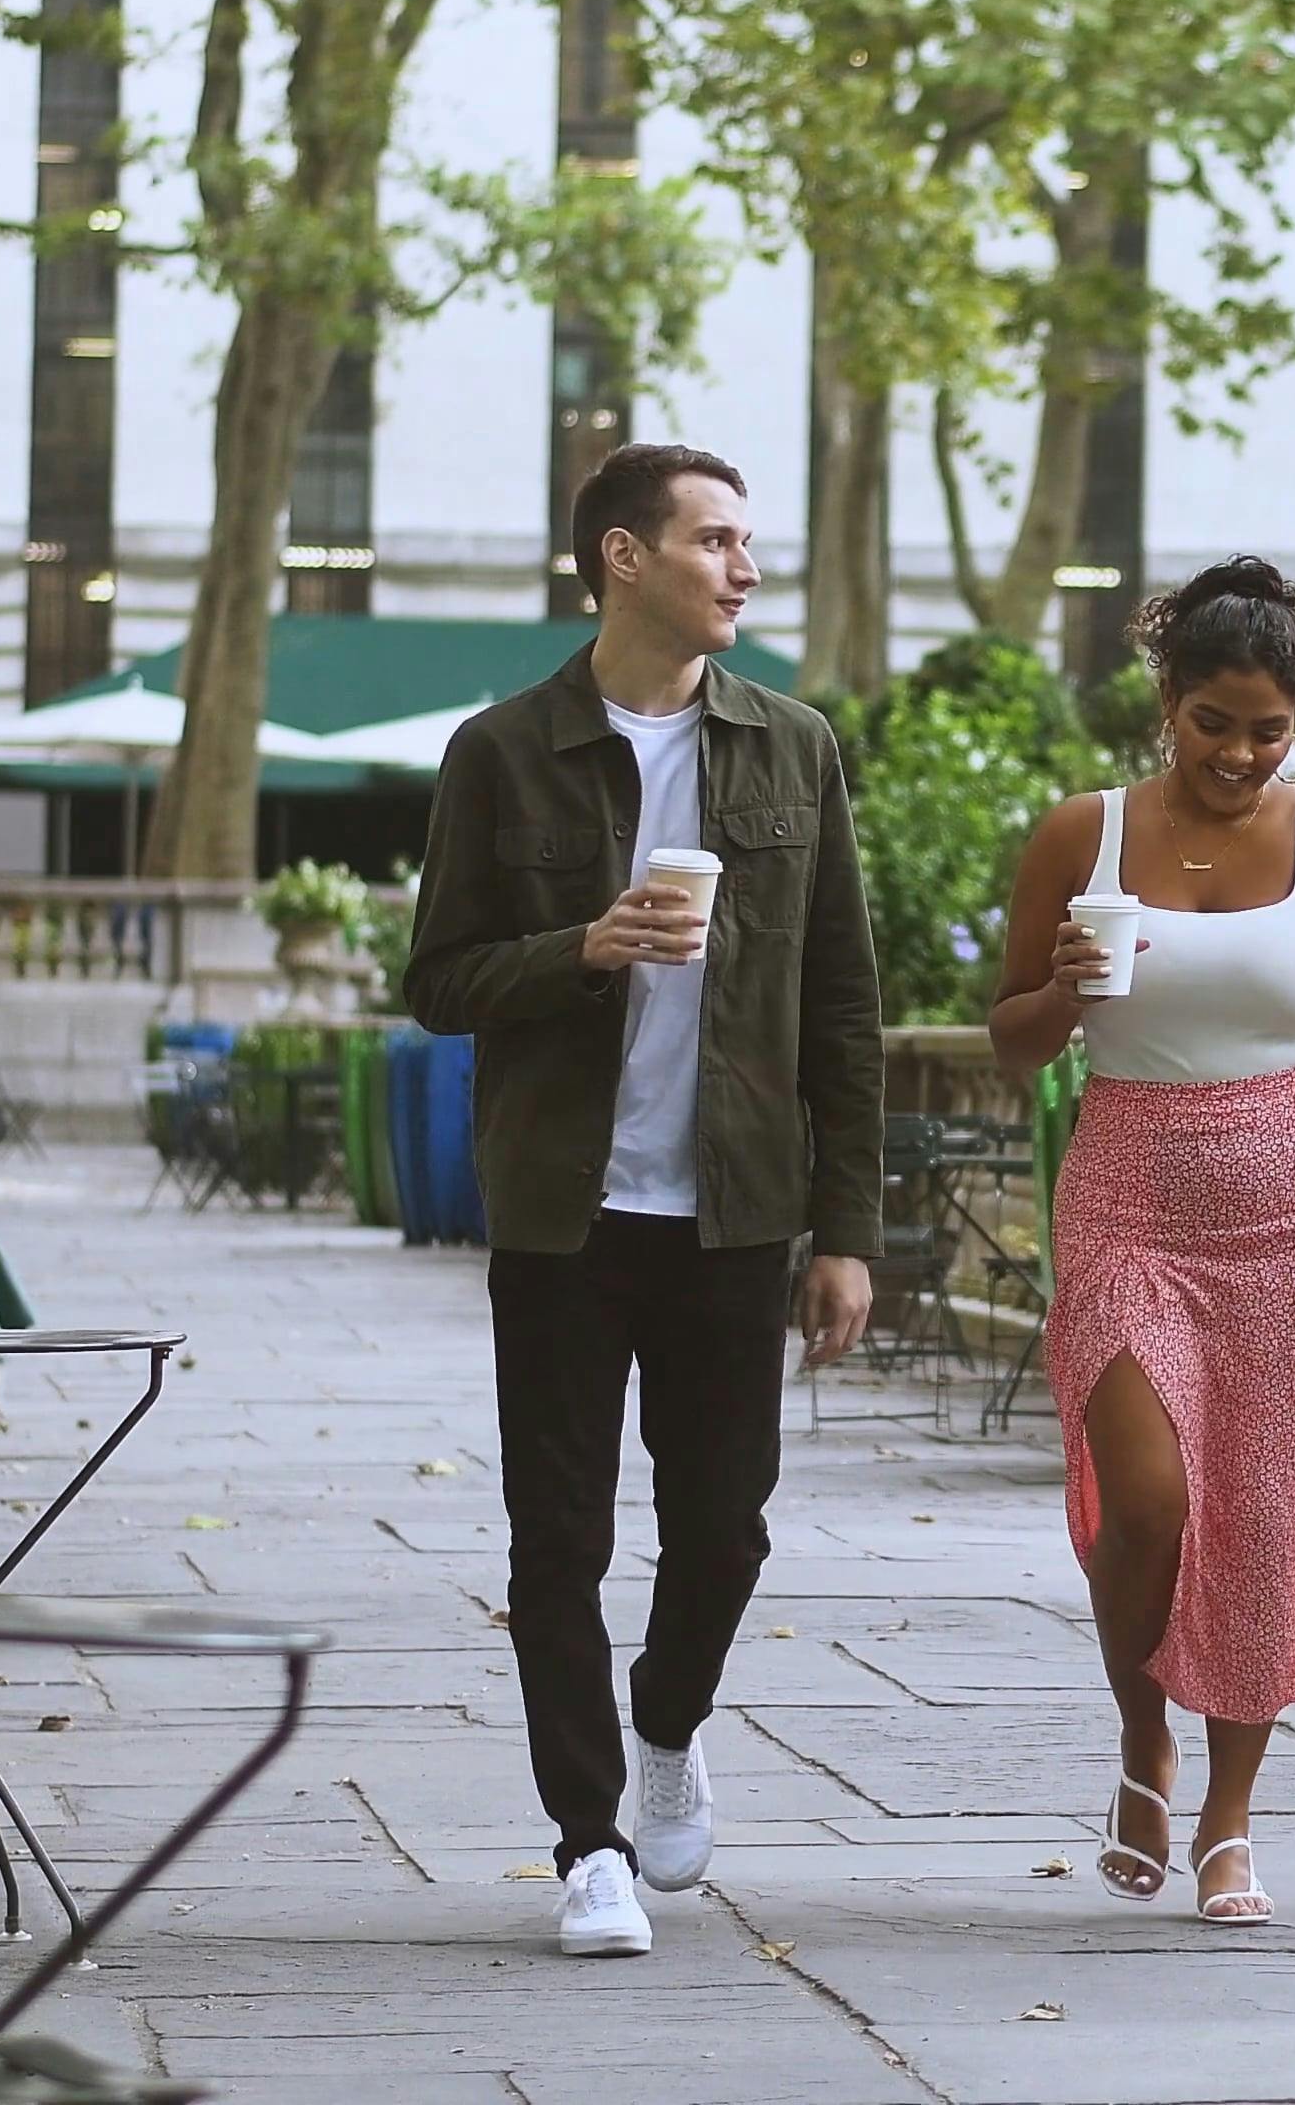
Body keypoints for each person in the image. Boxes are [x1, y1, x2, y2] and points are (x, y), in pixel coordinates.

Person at [405, 443, 882, 1959]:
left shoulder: (792, 748)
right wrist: (582, 950)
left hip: (734, 1212)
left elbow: (844, 1004)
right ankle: (589, 1842)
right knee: (557, 1540)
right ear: (624, 556)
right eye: (717, 541)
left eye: (746, 542)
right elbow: (437, 980)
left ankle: (667, 1725)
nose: (746, 567)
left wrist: (849, 1231)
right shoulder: (502, 750)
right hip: (565, 1213)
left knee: (724, 1531)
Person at [989, 555, 1295, 1927]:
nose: (1242, 755)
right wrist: (1064, 993)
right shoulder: (1082, 836)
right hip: (1132, 1188)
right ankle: (1145, 1737)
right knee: (1147, 1499)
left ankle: (1230, 1819)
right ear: (1166, 704)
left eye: (1269, 731)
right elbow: (1011, 1042)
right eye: (1213, 725)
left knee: (1262, 1510)